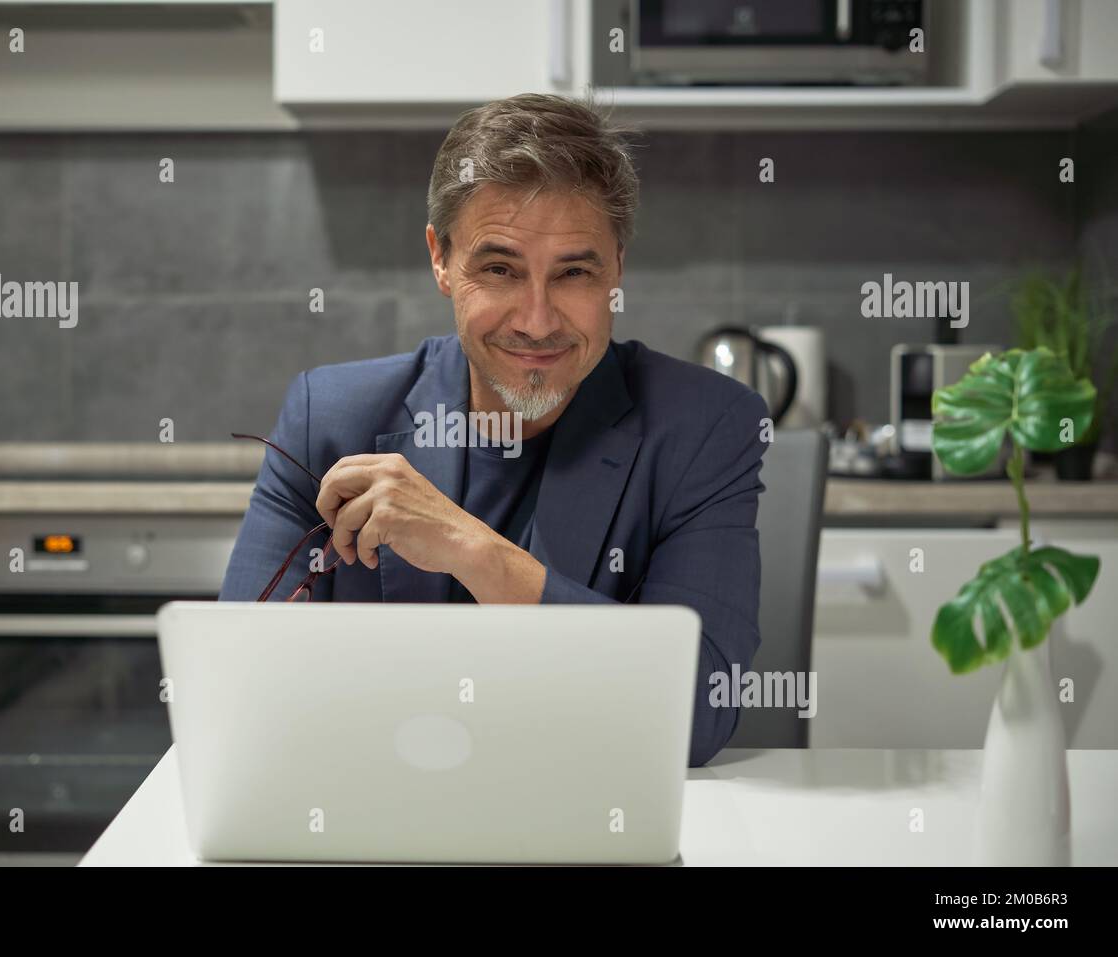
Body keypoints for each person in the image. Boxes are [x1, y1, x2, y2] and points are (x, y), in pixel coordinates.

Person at [220, 93, 770, 767]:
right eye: (500, 269)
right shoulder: (328, 420)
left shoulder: (707, 428)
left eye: (574, 271)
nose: (537, 320)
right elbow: (238, 695)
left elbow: (696, 715)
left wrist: (474, 551)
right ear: (441, 260)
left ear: (617, 269)